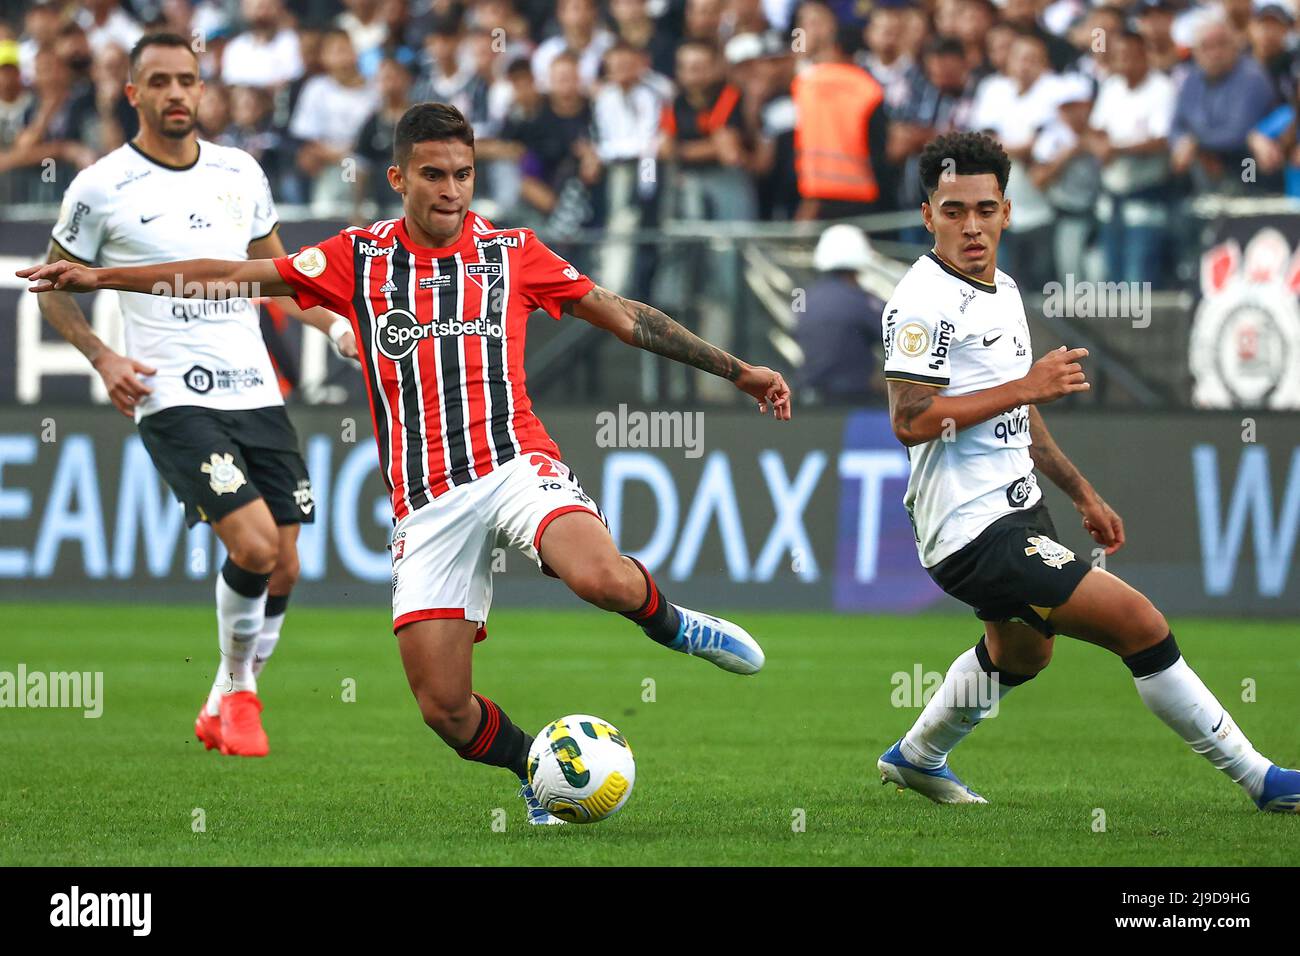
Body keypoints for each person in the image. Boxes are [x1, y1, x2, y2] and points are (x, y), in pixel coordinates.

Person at [20, 101, 793, 825]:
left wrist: (739, 370)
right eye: (433, 174)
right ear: (399, 178)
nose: (451, 189)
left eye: (462, 174)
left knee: (602, 579)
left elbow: (627, 317)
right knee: (445, 712)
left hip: (514, 464)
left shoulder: (511, 252)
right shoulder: (357, 259)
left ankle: (675, 624)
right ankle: (535, 768)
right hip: (426, 503)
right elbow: (233, 275)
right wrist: (100, 276)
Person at [873, 130, 1300, 813]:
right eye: (953, 211)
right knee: (1138, 622)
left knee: (1021, 655)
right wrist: (1027, 388)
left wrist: (1081, 491)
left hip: (1016, 505)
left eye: (985, 209)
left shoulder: (1002, 288)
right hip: (969, 525)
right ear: (928, 217)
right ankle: (1263, 780)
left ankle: (917, 758)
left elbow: (1021, 410)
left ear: (1007, 212)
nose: (971, 226)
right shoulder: (922, 302)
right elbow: (911, 419)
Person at [23, 33, 359, 759]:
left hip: (255, 388)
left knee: (289, 562)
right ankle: (240, 694)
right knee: (256, 543)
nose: (177, 93)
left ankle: (219, 699)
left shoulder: (241, 172)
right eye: (161, 82)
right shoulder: (100, 186)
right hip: (169, 392)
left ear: (203, 90)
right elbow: (53, 288)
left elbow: (280, 279)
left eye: (189, 80)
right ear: (132, 93)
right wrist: (103, 356)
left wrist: (334, 327)